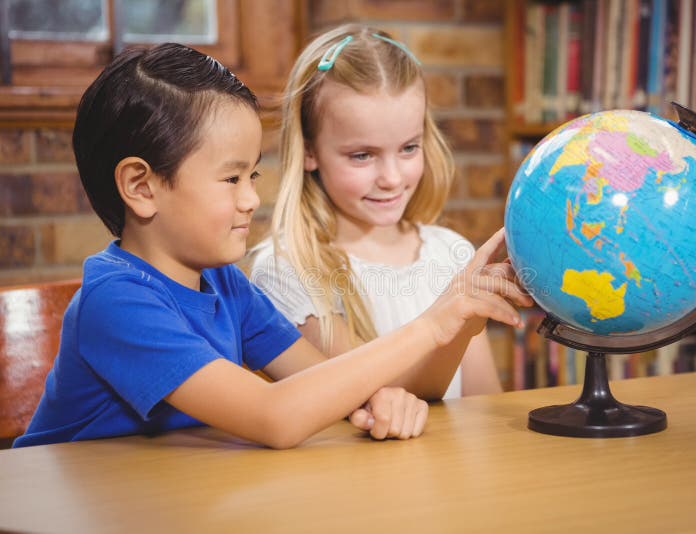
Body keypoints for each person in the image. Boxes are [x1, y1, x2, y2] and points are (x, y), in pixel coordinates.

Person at [13, 43, 531, 449]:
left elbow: (325, 381)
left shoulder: (224, 284)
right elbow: (274, 416)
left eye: (253, 175)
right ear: (142, 187)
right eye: (231, 178)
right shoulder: (116, 300)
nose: (251, 199)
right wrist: (431, 324)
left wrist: (382, 399)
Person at [250, 24, 503, 400]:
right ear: (309, 151)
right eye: (362, 155)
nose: (391, 177)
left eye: (408, 148)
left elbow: (484, 404)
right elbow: (381, 400)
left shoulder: (450, 251)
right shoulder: (289, 270)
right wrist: (454, 321)